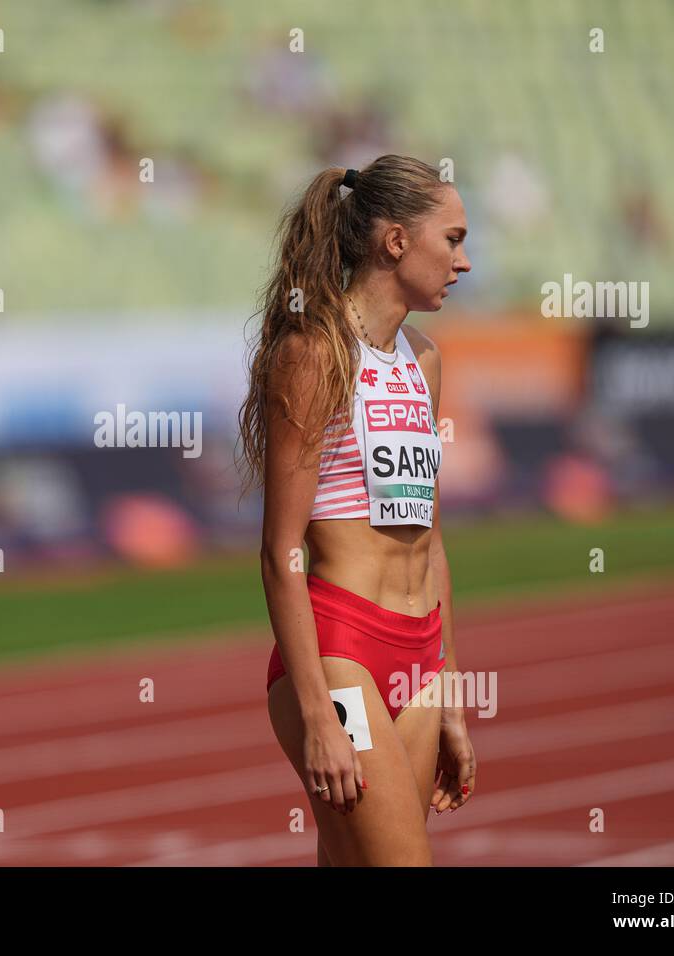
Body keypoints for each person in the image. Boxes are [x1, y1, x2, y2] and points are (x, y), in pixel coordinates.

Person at [237, 155, 476, 866]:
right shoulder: (314, 354)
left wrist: (451, 689)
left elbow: (430, 543)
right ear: (396, 242)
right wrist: (316, 714)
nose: (464, 263)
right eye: (454, 239)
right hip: (343, 654)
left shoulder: (424, 361)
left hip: (419, 654)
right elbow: (281, 549)